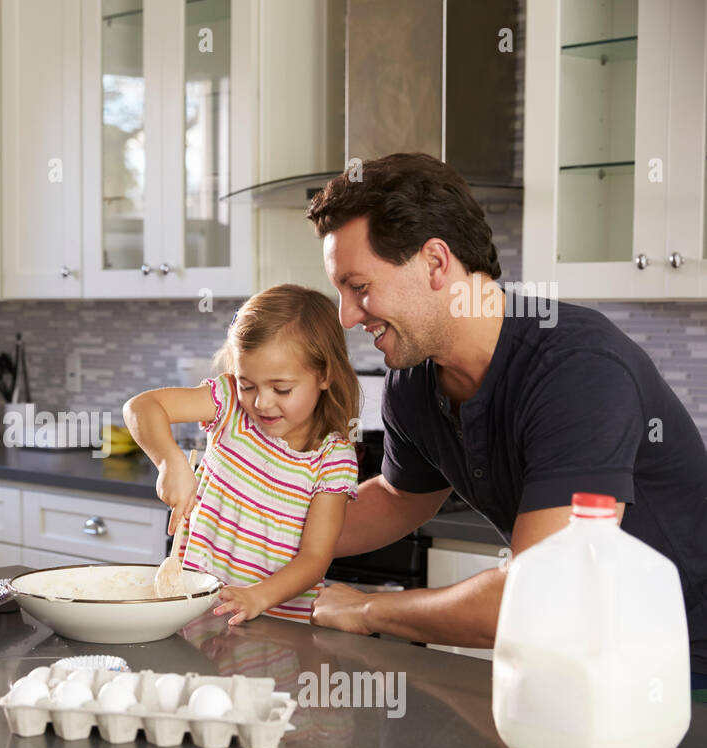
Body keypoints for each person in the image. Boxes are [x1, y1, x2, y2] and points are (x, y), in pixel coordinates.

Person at [305, 151, 707, 691]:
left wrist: (369, 610)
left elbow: (541, 595)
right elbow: (401, 498)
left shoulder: (577, 369)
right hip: (579, 660)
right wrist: (251, 520)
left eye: (358, 287)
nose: (347, 315)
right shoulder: (415, 381)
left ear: (435, 262)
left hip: (684, 663)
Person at [124, 284, 360, 626]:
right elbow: (142, 407)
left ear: (324, 375)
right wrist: (168, 460)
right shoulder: (231, 404)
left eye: (281, 389)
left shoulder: (333, 458)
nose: (261, 402)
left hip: (276, 629)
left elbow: (315, 558)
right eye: (249, 384)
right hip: (200, 615)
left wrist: (258, 596)